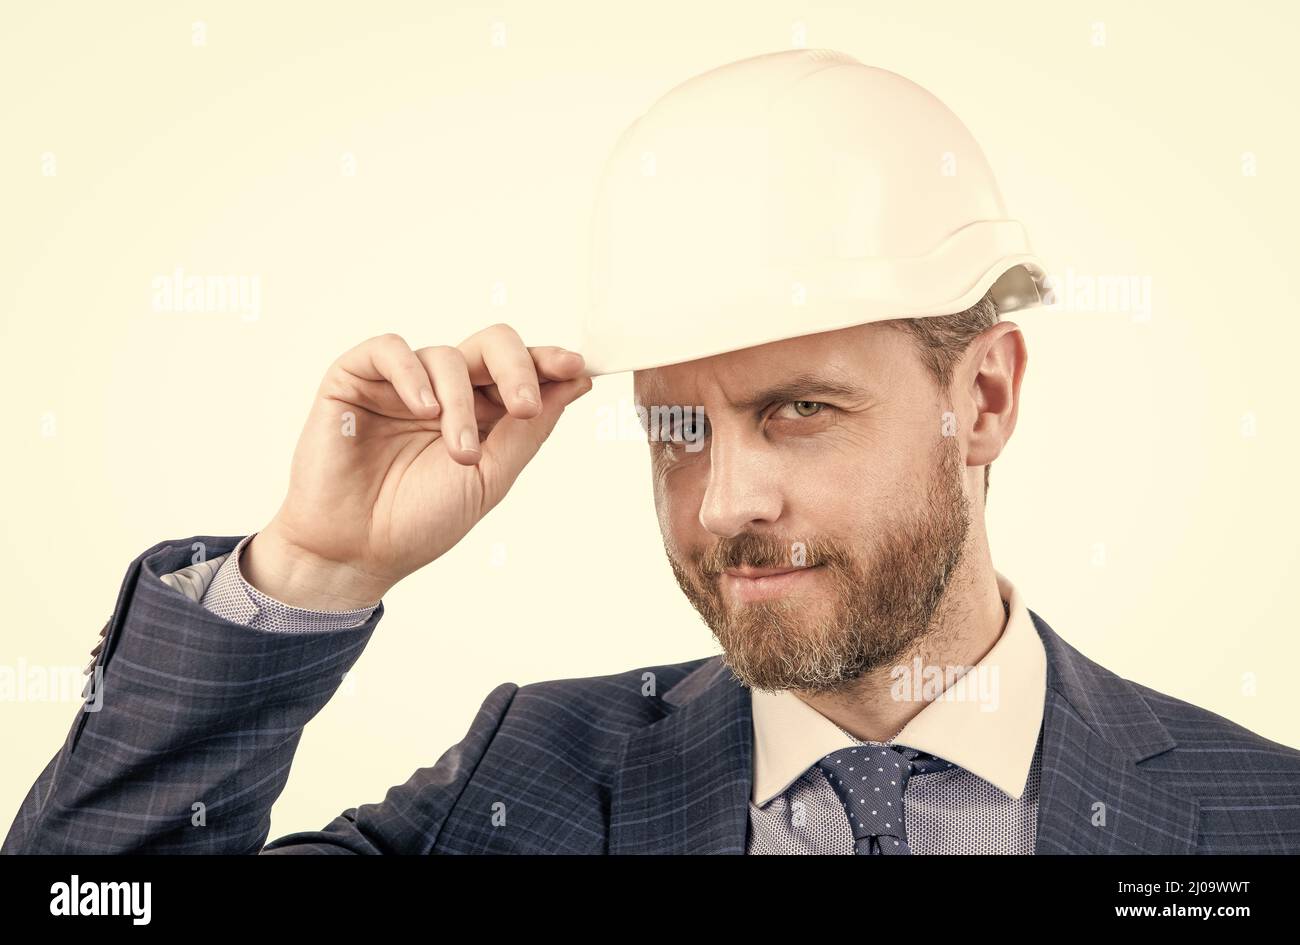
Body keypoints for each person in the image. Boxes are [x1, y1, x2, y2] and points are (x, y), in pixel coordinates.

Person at [6, 50, 1299, 855]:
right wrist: (309, 570)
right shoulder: (537, 779)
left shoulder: (1263, 816)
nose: (725, 500)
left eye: (800, 409)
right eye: (678, 424)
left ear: (987, 398)